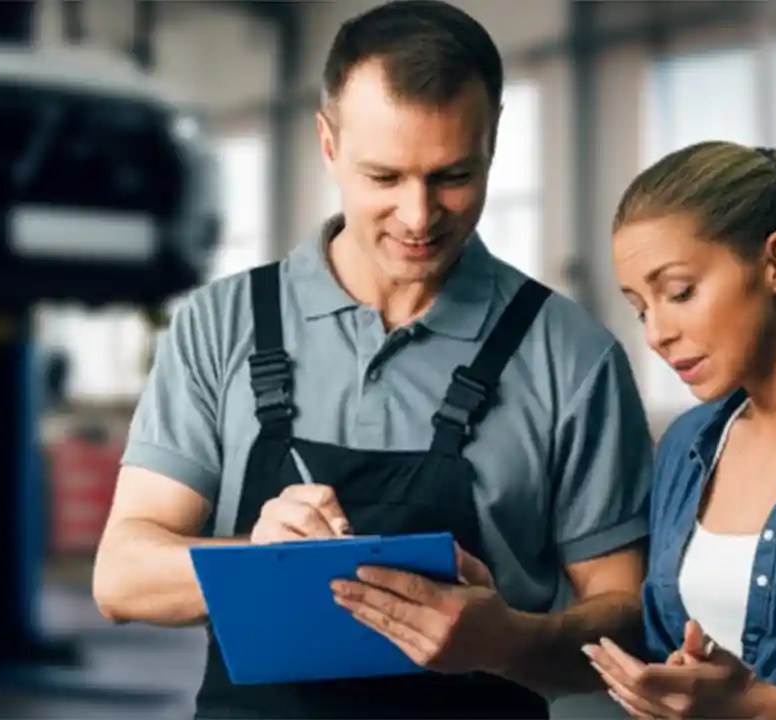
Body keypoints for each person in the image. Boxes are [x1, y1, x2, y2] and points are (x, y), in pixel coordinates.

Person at [92, 1, 653, 717]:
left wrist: (508, 640)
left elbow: (629, 617)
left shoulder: (570, 356)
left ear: (493, 140)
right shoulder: (221, 325)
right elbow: (121, 578)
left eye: (453, 175)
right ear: (328, 144)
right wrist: (258, 561)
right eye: (384, 177)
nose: (419, 216)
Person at [584, 142, 776, 719]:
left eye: (679, 292)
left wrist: (755, 707)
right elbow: (663, 649)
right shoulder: (688, 446)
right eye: (640, 308)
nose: (656, 334)